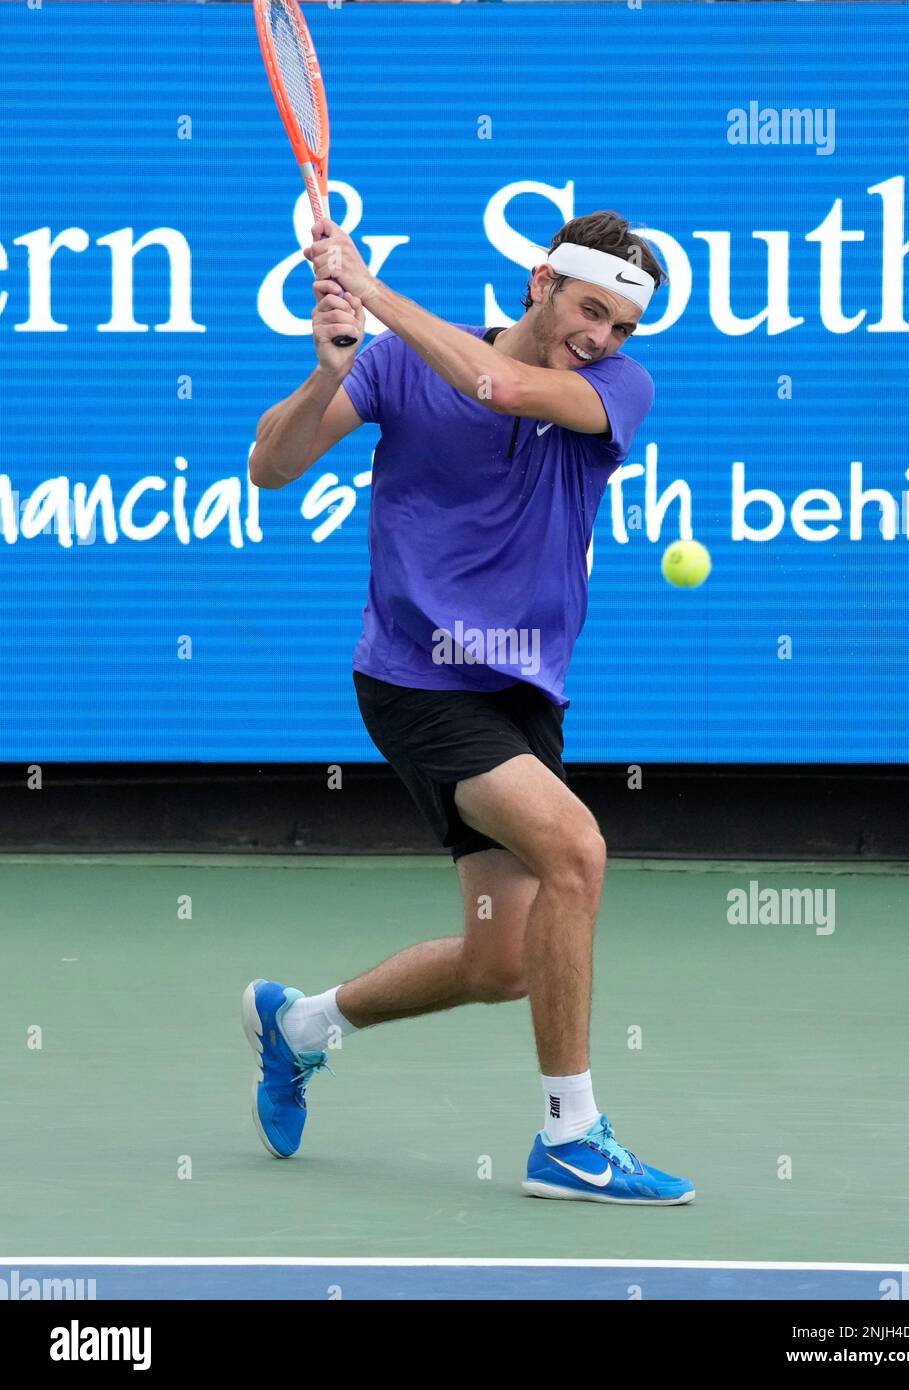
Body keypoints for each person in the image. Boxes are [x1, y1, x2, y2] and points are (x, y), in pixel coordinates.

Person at [243, 209, 694, 1205]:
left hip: (522, 691)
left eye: (622, 325)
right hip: (416, 678)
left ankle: (299, 1025)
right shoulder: (398, 368)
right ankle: (570, 1137)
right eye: (590, 309)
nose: (603, 337)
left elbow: (493, 385)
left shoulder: (615, 386)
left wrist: (370, 290)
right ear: (540, 281)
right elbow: (267, 467)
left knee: (501, 963)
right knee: (576, 849)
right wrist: (329, 367)